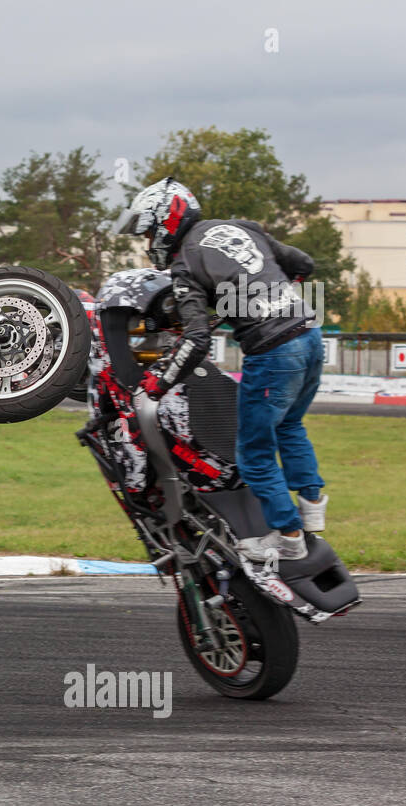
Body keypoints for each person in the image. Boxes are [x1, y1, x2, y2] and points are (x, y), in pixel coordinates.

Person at [115, 177, 327, 562]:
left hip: (273, 350)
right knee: (290, 427)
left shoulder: (184, 265)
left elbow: (195, 341)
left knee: (253, 453)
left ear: (166, 221)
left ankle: (289, 538)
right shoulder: (239, 227)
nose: (149, 245)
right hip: (311, 334)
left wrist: (157, 385)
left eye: (148, 234)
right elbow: (303, 265)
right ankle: (312, 512)